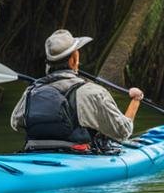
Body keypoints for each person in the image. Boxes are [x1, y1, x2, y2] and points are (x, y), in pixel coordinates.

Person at [10, 29, 144, 152]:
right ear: (74, 59)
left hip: (34, 154)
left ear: (48, 64)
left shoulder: (31, 92)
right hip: (78, 158)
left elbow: (15, 123)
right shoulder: (92, 92)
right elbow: (123, 132)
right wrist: (136, 100)